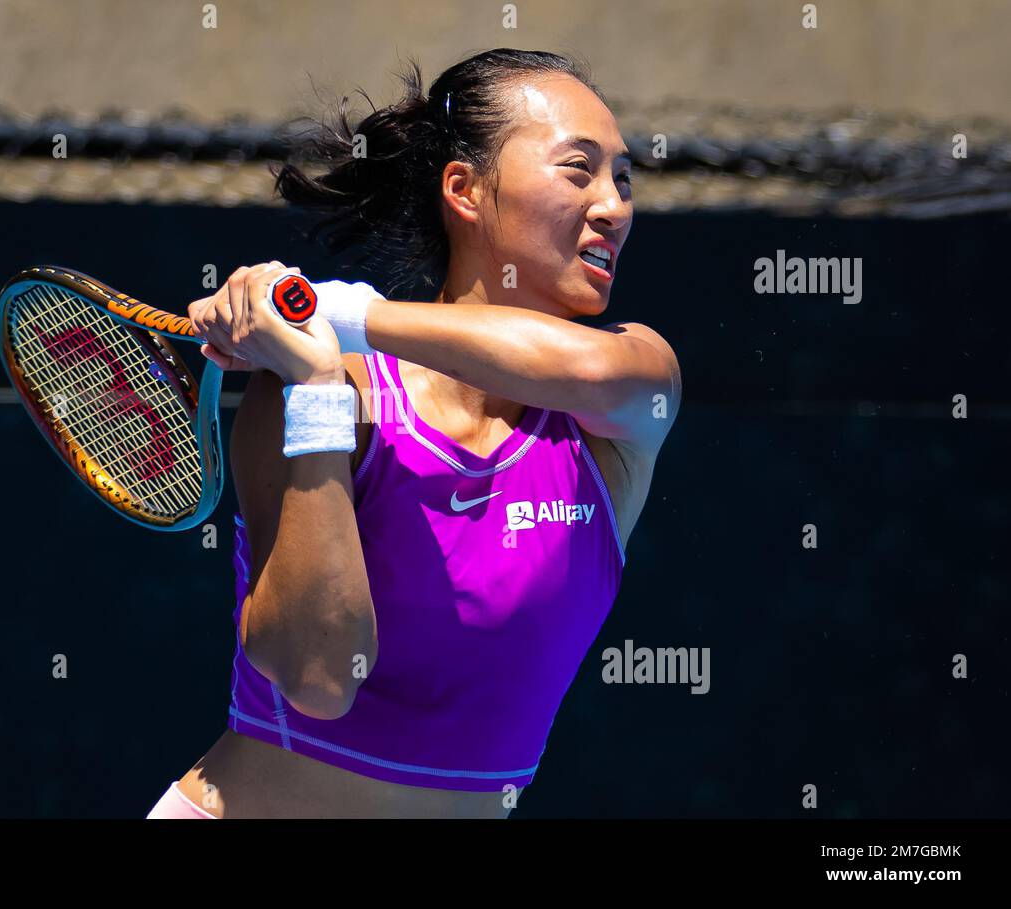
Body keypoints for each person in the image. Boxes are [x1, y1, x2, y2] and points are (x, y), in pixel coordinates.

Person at [148, 48, 680, 819]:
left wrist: (345, 313)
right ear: (464, 190)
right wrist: (319, 391)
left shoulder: (631, 381)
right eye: (579, 170)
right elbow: (319, 677)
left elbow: (591, 373)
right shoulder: (333, 390)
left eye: (624, 179)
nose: (615, 206)